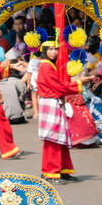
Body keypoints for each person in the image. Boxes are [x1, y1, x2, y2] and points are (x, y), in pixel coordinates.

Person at [36, 34, 81, 181]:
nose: (54, 52)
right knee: (53, 139)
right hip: (50, 103)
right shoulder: (46, 66)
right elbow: (58, 86)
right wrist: (78, 84)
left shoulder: (47, 65)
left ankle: (62, 169)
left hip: (52, 102)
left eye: (56, 49)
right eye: (51, 49)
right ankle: (51, 172)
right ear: (44, 50)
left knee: (58, 138)